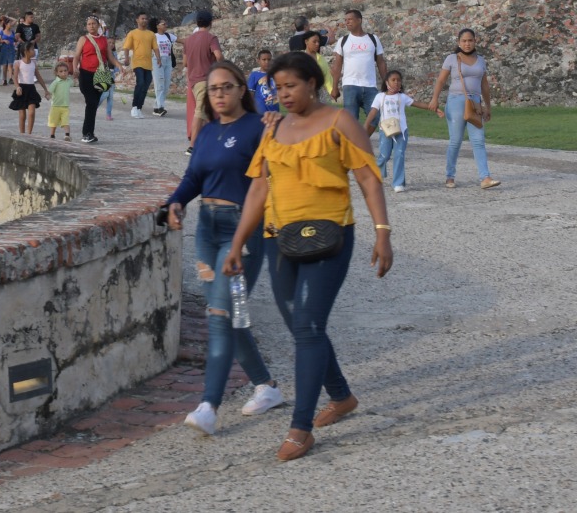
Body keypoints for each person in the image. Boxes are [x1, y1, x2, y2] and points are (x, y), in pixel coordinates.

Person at [223, 51, 392, 462]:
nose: (283, 95)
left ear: (312, 84)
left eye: (291, 86)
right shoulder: (274, 128)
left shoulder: (339, 121)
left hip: (330, 236)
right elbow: (259, 190)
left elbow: (368, 179)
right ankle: (341, 396)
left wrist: (382, 234)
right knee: (302, 327)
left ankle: (300, 428)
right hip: (281, 238)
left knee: (308, 326)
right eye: (277, 88)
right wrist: (237, 243)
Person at [166, 60, 285, 437]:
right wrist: (176, 201)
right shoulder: (206, 132)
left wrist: (275, 123)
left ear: (240, 90)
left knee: (219, 316)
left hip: (242, 232)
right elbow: (194, 178)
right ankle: (266, 387)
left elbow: (271, 177)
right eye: (213, 88)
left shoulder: (258, 128)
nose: (219, 94)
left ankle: (209, 406)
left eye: (226, 87)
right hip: (207, 230)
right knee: (226, 314)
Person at [429, 28, 501, 189]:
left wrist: (488, 107)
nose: (467, 44)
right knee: (456, 140)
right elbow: (441, 80)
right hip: (456, 101)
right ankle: (450, 175)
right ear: (459, 42)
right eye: (464, 41)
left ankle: (485, 177)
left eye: (470, 40)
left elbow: (485, 86)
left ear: (475, 41)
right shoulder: (452, 59)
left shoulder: (481, 60)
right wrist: (435, 99)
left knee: (478, 140)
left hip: (475, 103)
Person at [366, 69, 425, 192]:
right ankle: (377, 176)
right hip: (385, 131)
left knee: (399, 155)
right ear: (387, 82)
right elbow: (373, 111)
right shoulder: (380, 96)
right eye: (393, 80)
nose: (396, 82)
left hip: (401, 132)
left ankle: (398, 183)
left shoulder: (402, 97)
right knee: (384, 155)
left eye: (399, 80)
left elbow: (417, 103)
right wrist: (365, 125)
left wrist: (433, 107)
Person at [329, 9, 386, 128]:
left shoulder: (373, 39)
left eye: (350, 19)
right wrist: (334, 87)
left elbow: (381, 62)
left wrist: (387, 84)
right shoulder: (343, 41)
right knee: (351, 121)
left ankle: (362, 139)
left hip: (370, 85)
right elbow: (337, 66)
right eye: (345, 20)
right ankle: (354, 145)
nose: (347, 22)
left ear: (359, 20)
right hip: (350, 85)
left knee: (376, 117)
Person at [180, 10, 223, 153]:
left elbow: (185, 63)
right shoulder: (211, 38)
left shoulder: (188, 40)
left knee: (207, 111)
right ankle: (192, 145)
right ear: (210, 23)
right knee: (201, 111)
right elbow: (218, 55)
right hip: (206, 78)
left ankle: (209, 140)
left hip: (193, 80)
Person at [74, 15, 121, 144]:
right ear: (86, 26)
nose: (91, 26)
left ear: (98, 25)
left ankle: (90, 133)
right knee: (91, 102)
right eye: (89, 24)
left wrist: (119, 65)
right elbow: (77, 55)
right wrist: (75, 68)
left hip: (100, 75)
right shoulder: (83, 39)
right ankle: (86, 133)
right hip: (86, 74)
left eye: (93, 24)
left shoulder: (104, 40)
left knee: (93, 104)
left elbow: (109, 56)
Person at [123, 12, 158, 118]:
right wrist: (126, 58)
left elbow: (155, 47)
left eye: (146, 18)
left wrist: (159, 58)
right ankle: (134, 107)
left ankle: (139, 108)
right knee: (140, 82)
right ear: (137, 20)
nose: (144, 20)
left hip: (148, 64)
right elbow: (126, 47)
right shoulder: (132, 33)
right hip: (137, 62)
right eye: (142, 18)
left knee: (146, 86)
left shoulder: (151, 34)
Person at [10, 43, 44, 134]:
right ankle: (22, 134)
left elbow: (38, 76)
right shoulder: (18, 63)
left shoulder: (33, 63)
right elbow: (15, 77)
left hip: (31, 89)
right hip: (22, 89)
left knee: (31, 112)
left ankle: (29, 133)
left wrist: (45, 89)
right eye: (32, 49)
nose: (34, 51)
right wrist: (17, 87)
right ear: (26, 51)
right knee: (22, 115)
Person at [152, 17, 175, 117]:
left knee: (166, 84)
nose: (166, 25)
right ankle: (160, 107)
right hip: (157, 60)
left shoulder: (168, 36)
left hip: (168, 61)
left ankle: (157, 106)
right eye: (163, 24)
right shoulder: (153, 36)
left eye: (166, 24)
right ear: (157, 26)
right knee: (159, 83)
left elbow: (182, 40)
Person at [48, 57, 73, 139]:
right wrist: (48, 95)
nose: (64, 73)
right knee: (53, 122)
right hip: (55, 105)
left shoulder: (69, 81)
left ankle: (67, 135)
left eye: (65, 71)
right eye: (61, 71)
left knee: (66, 121)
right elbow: (50, 90)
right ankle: (52, 135)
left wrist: (76, 77)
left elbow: (74, 83)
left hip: (65, 105)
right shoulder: (55, 82)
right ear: (57, 73)